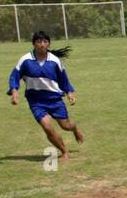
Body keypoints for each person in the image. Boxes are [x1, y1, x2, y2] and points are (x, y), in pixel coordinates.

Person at [8, 30, 84, 160]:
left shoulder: (55, 61)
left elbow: (63, 79)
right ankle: (64, 151)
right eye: (38, 42)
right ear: (33, 44)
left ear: (48, 44)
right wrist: (14, 91)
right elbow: (15, 76)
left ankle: (75, 129)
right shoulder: (25, 60)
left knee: (66, 126)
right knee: (47, 127)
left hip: (54, 99)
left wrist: (69, 92)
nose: (42, 44)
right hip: (36, 101)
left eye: (45, 41)